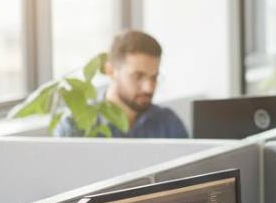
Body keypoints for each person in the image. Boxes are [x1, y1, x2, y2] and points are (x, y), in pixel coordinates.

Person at [54, 30, 188, 138]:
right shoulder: (74, 126)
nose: (149, 87)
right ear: (111, 71)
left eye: (154, 77)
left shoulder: (169, 124)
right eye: (138, 76)